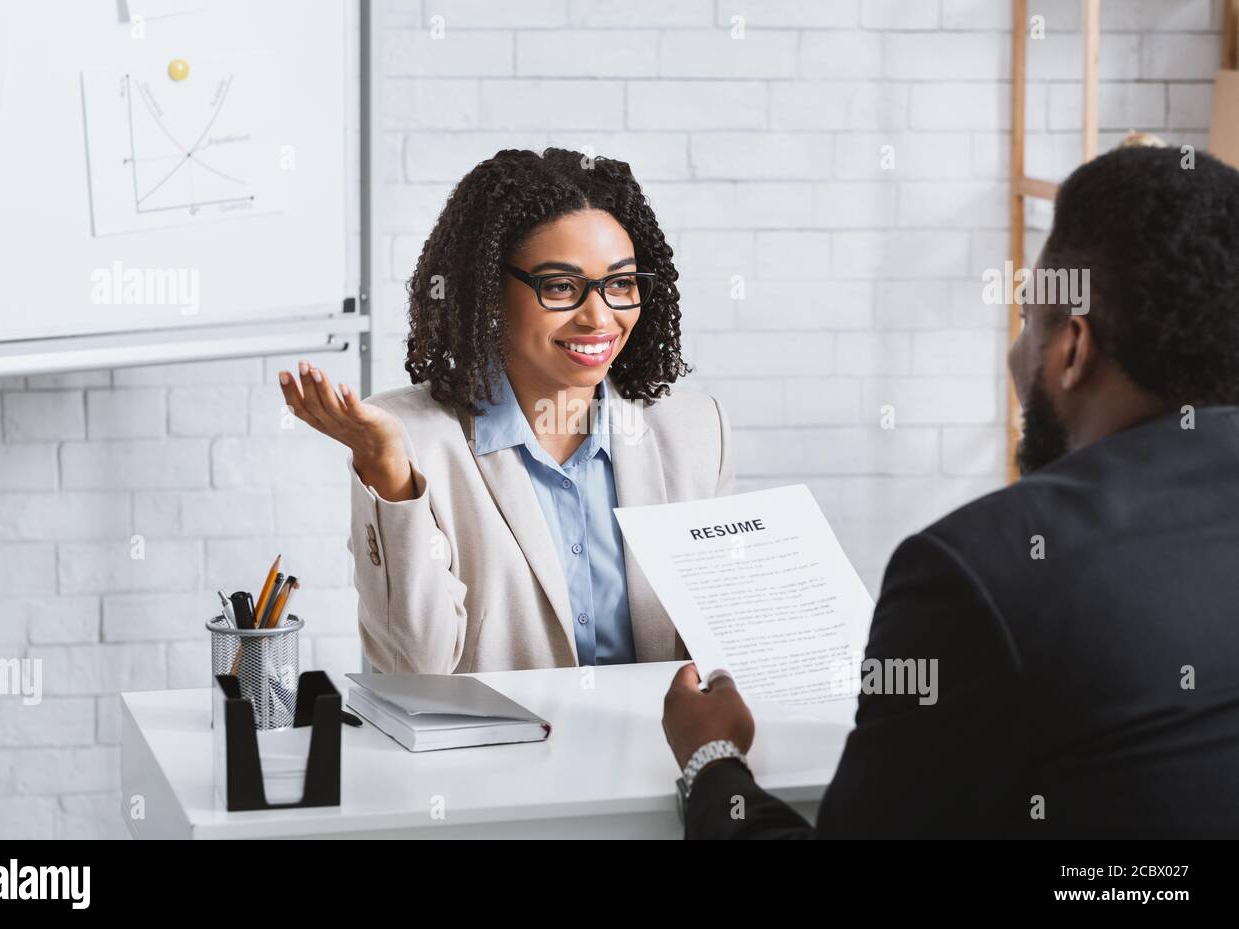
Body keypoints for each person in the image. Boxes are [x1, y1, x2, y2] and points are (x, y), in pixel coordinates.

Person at [661, 145, 1239, 839]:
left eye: (1028, 322)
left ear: (1073, 350)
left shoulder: (975, 574)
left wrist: (711, 759)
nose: (1017, 353)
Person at [279, 148, 733, 673]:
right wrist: (386, 469)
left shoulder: (697, 430)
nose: (598, 317)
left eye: (620, 284)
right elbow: (417, 668)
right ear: (488, 291)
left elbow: (723, 643)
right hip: (499, 732)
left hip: (658, 728)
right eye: (560, 286)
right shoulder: (410, 439)